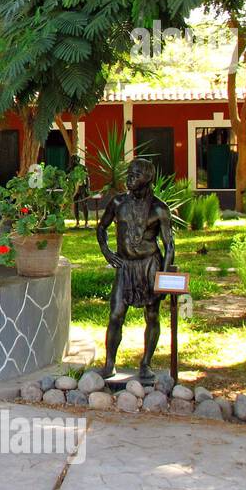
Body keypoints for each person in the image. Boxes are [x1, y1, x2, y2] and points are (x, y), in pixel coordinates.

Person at [96, 157, 176, 383]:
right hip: (124, 266)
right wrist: (107, 251)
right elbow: (101, 228)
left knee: (152, 315)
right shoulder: (118, 203)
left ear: (148, 179)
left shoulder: (159, 209)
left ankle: (146, 363)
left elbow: (169, 245)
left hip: (150, 265)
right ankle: (110, 363)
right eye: (129, 172)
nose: (129, 177)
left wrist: (164, 277)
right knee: (115, 314)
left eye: (136, 174)